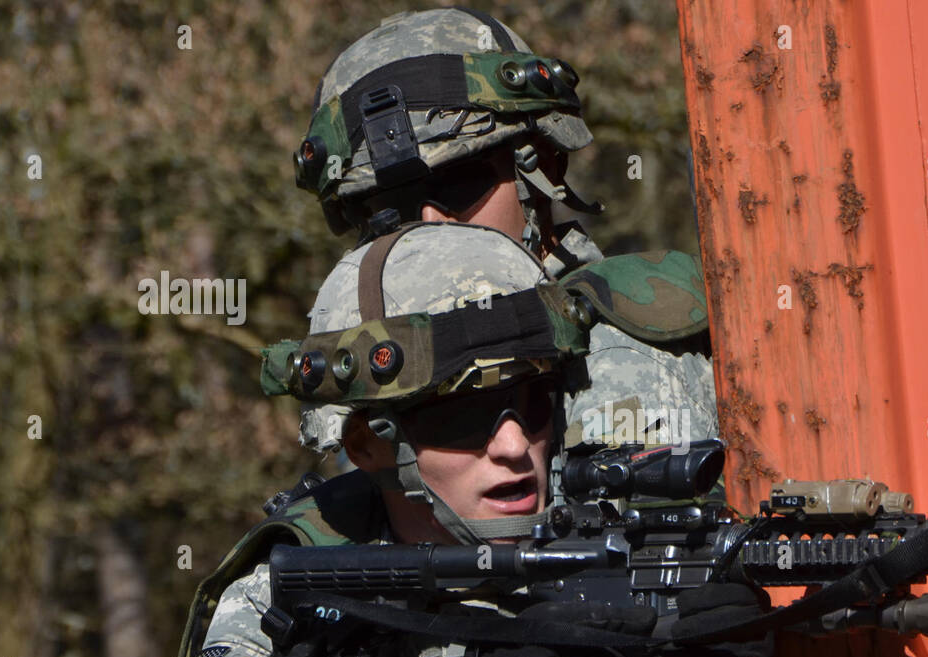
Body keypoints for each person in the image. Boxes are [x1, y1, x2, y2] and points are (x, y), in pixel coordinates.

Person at [171, 225, 770, 657]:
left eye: (532, 401)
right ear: (368, 444)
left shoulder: (621, 544)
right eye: (463, 417)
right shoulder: (291, 601)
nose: (514, 447)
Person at [292, 6, 719, 460]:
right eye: (388, 209)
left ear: (542, 167)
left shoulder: (618, 360)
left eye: (457, 185)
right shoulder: (368, 366)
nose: (430, 224)